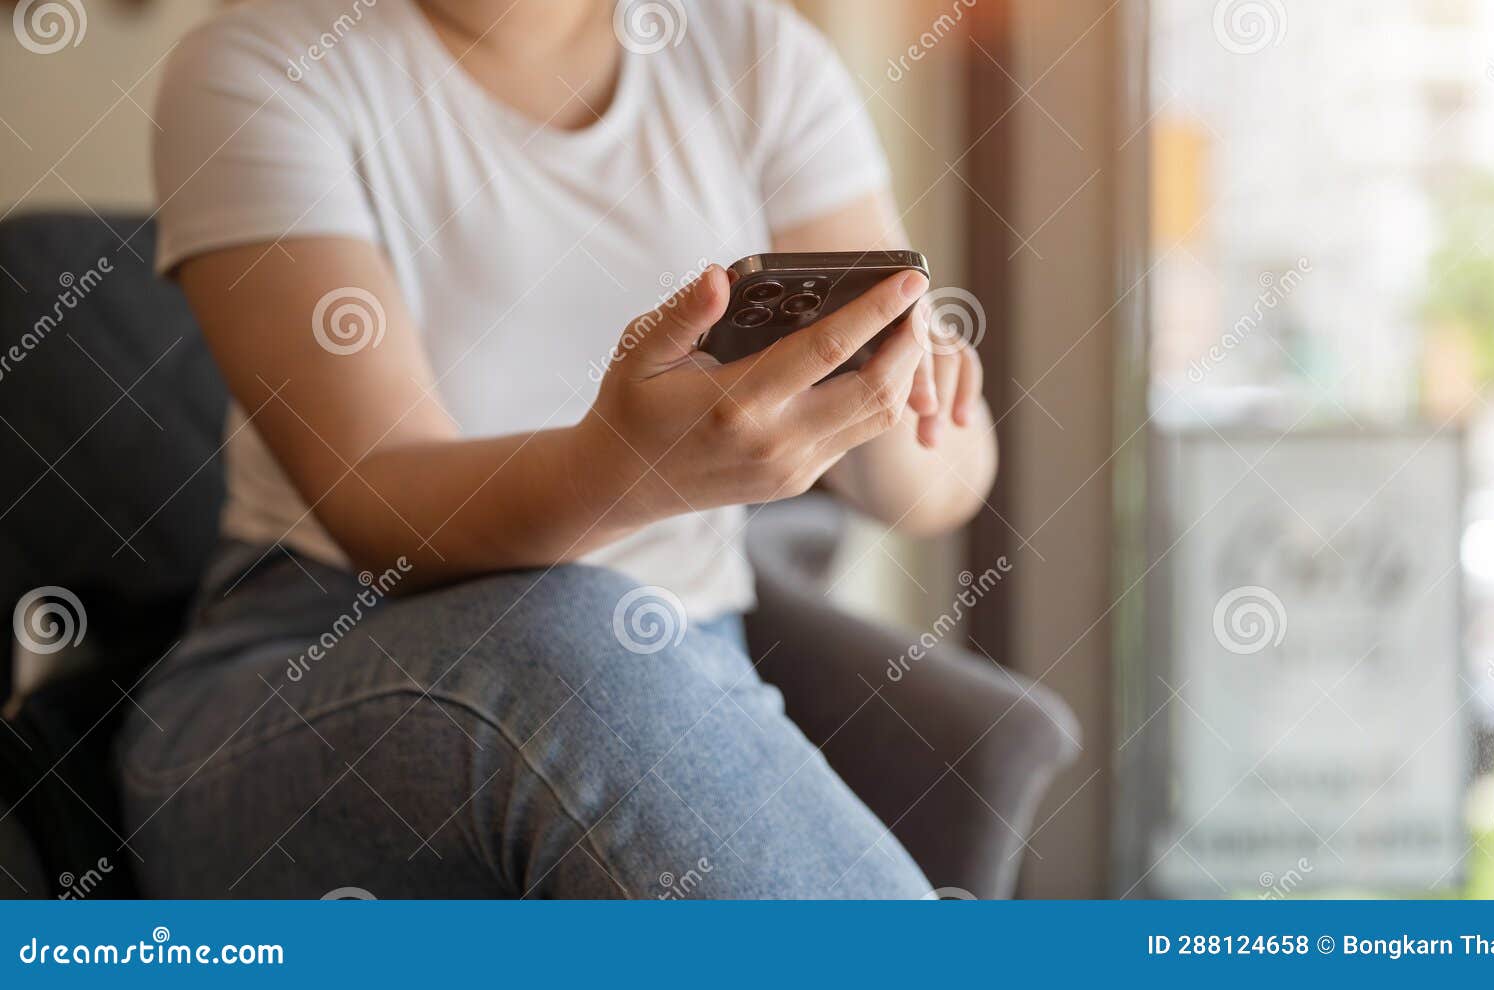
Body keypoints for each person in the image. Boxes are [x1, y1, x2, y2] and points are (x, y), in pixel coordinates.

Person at [114, 0, 998, 898]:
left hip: (676, 674)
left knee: (604, 656)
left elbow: (942, 482)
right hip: (321, 671)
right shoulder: (260, 62)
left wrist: (900, 412)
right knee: (573, 639)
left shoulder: (760, 53)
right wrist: (623, 470)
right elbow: (379, 515)